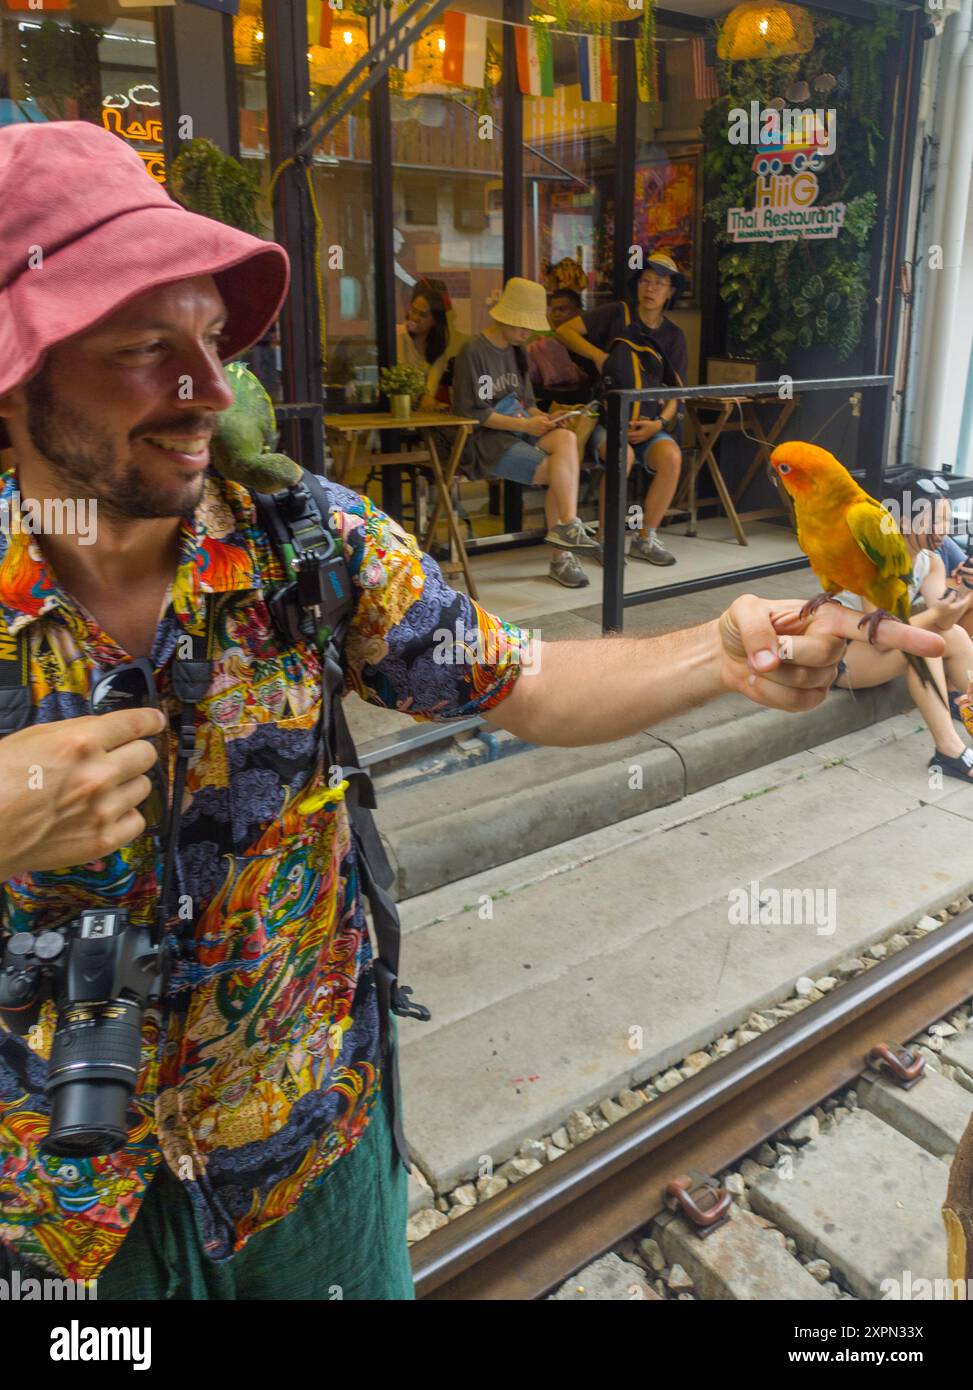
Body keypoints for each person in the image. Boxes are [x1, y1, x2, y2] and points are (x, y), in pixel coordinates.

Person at [0, 122, 944, 1301]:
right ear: (18, 370)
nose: (206, 391)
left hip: (313, 1167)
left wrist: (716, 650)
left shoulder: (310, 541)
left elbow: (522, 681)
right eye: (146, 346)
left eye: (209, 337)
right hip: (59, 1231)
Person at [450, 277, 602, 590]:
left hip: (517, 429)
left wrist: (546, 418)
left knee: (567, 438)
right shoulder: (473, 351)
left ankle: (568, 527)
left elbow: (527, 404)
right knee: (558, 471)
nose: (527, 332)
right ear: (504, 316)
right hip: (485, 441)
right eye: (522, 324)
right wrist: (527, 425)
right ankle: (562, 552)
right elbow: (473, 414)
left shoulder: (518, 351)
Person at [829, 480, 973, 782]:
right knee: (925, 643)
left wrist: (966, 589)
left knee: (954, 637)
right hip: (841, 658)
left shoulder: (929, 561)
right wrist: (936, 614)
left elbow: (946, 623)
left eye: (948, 519)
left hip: (880, 650)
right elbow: (880, 636)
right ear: (905, 520)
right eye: (936, 520)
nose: (944, 529)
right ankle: (949, 751)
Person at [556, 251, 689, 566]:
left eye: (659, 283)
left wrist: (659, 425)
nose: (651, 289)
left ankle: (645, 538)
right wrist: (598, 356)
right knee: (622, 456)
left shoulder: (674, 336)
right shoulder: (617, 314)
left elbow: (679, 391)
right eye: (645, 281)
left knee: (671, 457)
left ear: (670, 291)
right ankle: (607, 540)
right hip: (608, 421)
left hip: (649, 424)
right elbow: (564, 331)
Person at [395, 282, 464, 414]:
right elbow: (402, 379)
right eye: (413, 310)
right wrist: (424, 398)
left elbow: (429, 392)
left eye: (423, 315)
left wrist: (427, 398)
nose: (414, 318)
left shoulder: (438, 349)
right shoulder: (399, 335)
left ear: (435, 321)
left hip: (418, 412)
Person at [526, 289, 594, 394]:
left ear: (578, 312)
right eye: (553, 310)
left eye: (562, 309)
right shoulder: (545, 341)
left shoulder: (589, 340)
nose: (557, 314)